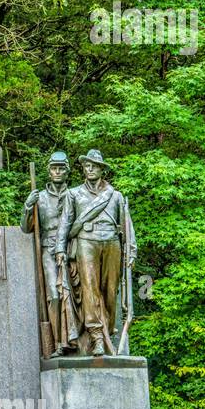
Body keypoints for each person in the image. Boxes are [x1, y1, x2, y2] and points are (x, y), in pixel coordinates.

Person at [56, 150, 137, 356]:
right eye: (86, 166)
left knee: (110, 291)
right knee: (89, 289)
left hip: (111, 243)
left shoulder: (116, 196)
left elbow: (127, 226)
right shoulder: (74, 194)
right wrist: (59, 248)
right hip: (86, 242)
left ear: (102, 169)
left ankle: (108, 329)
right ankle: (96, 337)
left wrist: (132, 251)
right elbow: (65, 223)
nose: (89, 169)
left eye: (93, 166)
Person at [22, 151, 80, 356]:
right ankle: (57, 342)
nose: (57, 171)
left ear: (67, 171)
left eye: (61, 168)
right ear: (48, 171)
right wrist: (28, 206)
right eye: (54, 168)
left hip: (72, 251)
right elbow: (26, 228)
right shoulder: (41, 197)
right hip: (48, 251)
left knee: (74, 295)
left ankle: (76, 340)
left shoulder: (75, 195)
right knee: (54, 296)